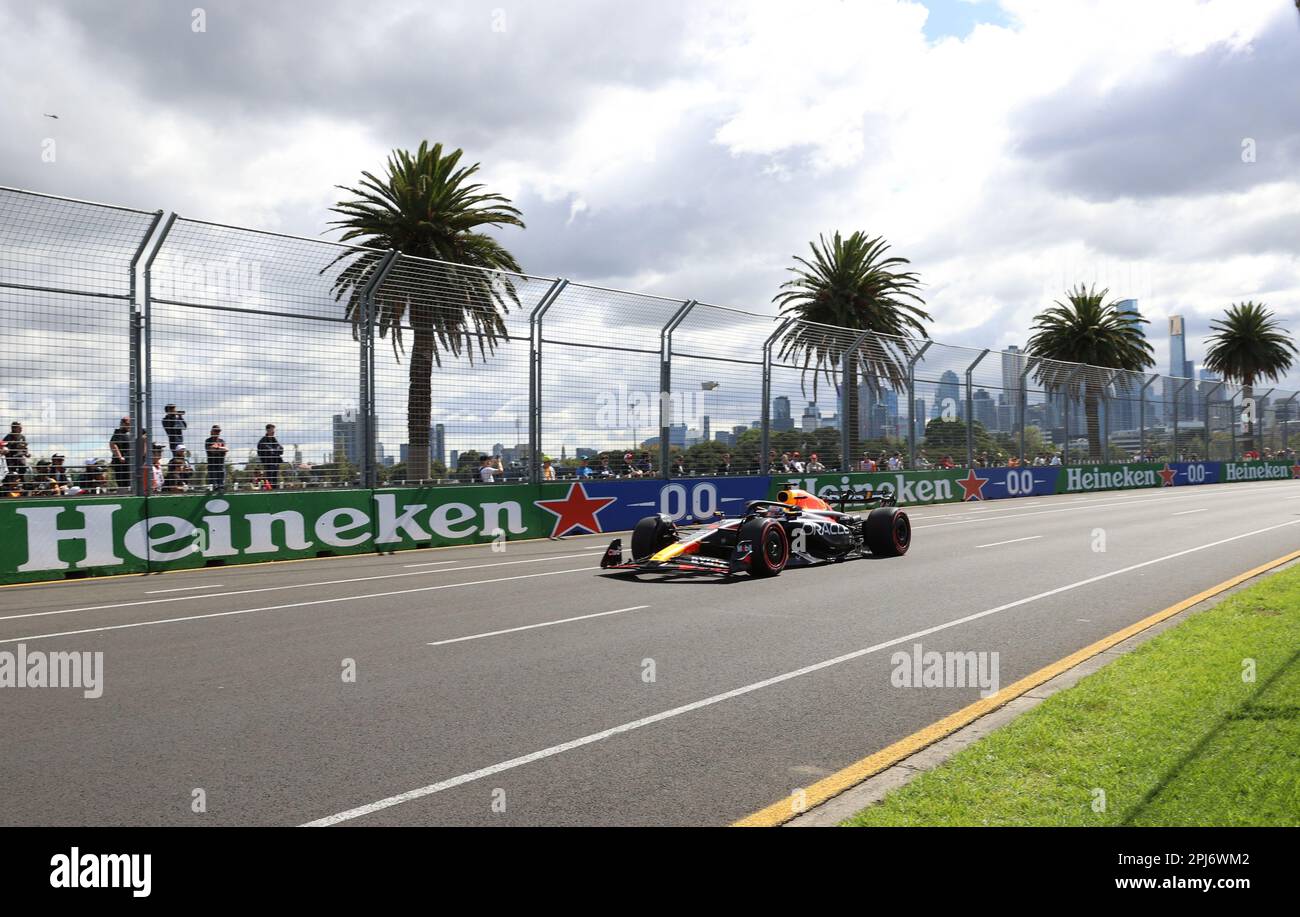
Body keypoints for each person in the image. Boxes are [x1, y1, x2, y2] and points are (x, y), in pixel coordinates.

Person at [109, 417, 133, 490]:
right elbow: (112, 444)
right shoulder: (119, 433)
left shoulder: (126, 434)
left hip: (128, 464)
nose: (129, 426)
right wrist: (120, 457)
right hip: (122, 464)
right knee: (123, 485)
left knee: (128, 484)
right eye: (128, 424)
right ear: (122, 424)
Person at [257, 423, 284, 489]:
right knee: (270, 480)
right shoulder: (263, 441)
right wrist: (275, 450)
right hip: (268, 464)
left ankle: (274, 491)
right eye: (272, 430)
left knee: (275, 480)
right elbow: (268, 451)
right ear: (267, 430)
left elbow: (281, 450)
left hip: (275, 463)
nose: (273, 432)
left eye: (274, 430)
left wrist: (274, 450)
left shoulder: (274, 440)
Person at [205, 424, 229, 490]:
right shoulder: (208, 441)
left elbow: (226, 449)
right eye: (215, 431)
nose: (217, 433)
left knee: (221, 485)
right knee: (213, 485)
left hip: (221, 465)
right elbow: (211, 450)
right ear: (211, 431)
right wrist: (220, 450)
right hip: (212, 465)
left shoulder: (222, 441)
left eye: (218, 431)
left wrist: (217, 448)